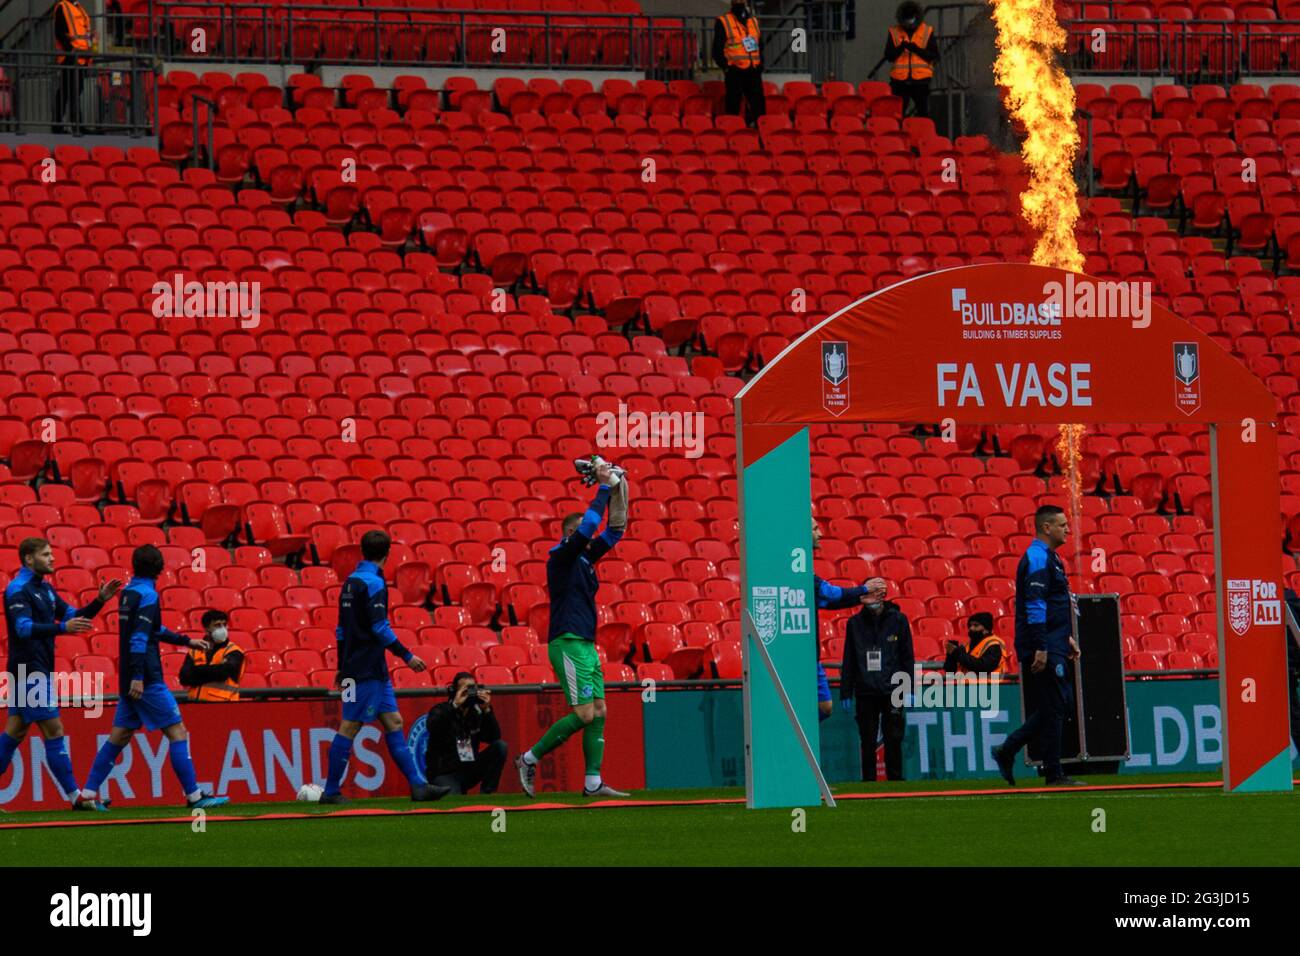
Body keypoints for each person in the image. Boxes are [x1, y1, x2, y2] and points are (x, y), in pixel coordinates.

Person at [76, 545, 228, 809]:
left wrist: (186, 641)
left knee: (119, 736)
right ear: (160, 568)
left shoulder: (128, 593)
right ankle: (194, 797)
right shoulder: (148, 595)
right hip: (145, 677)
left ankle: (87, 795)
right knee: (178, 732)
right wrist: (138, 676)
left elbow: (154, 629)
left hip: (129, 675)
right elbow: (140, 637)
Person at [516, 460, 630, 798]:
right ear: (570, 534)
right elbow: (593, 523)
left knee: (599, 711)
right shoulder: (562, 557)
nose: (589, 536)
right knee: (582, 713)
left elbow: (616, 529)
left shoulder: (583, 558)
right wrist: (604, 485)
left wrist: (619, 484)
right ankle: (528, 758)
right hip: (567, 641)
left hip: (585, 643)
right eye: (582, 532)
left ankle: (592, 782)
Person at [321, 531, 448, 804]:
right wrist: (407, 656)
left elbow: (341, 629)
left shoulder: (349, 583)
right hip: (366, 670)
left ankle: (418, 786)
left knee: (394, 721)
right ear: (387, 555)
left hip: (363, 669)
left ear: (362, 552)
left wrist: (342, 667)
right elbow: (379, 627)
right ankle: (330, 792)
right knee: (350, 725)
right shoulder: (374, 583)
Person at [0, 538, 120, 810]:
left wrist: (99, 601)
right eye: (46, 554)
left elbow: (74, 614)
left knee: (15, 731)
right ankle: (75, 796)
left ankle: (75, 796)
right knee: (54, 729)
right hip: (29, 670)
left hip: (31, 669)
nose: (53, 558)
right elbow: (23, 628)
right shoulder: (18, 589)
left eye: (52, 553)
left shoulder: (45, 589)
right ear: (29, 559)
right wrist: (63, 628)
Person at [993, 505, 1083, 787]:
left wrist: (1065, 636)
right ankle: (1053, 773)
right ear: (1046, 527)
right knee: (1056, 705)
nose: (1067, 529)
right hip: (1042, 645)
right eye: (1062, 525)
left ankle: (1008, 750)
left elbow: (1053, 603)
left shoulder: (1050, 557)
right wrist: (1042, 646)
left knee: (1058, 704)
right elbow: (1035, 604)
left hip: (1053, 641)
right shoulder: (1037, 558)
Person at [839, 580, 914, 781]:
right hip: (865, 689)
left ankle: (896, 779)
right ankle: (869, 781)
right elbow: (849, 658)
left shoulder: (898, 620)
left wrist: (909, 687)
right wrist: (846, 690)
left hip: (893, 689)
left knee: (894, 737)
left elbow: (907, 656)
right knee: (868, 738)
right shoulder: (854, 623)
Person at [812, 519, 882, 720]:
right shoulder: (798, 570)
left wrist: (860, 599)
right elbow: (829, 593)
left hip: (812, 658)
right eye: (815, 529)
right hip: (801, 659)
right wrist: (864, 589)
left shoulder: (806, 566)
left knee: (825, 707)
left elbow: (824, 602)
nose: (820, 534)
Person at [424, 672, 507, 795]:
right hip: (444, 772)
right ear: (454, 692)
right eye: (465, 690)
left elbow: (493, 737)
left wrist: (487, 710)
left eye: (473, 688)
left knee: (500, 746)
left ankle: (487, 793)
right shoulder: (441, 710)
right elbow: (433, 726)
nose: (470, 694)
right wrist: (455, 706)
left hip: (468, 768)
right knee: (455, 801)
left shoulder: (475, 713)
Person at [713, 0, 765, 124]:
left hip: (753, 70)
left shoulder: (753, 21)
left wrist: (760, 64)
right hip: (734, 71)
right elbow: (717, 50)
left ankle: (761, 136)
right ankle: (733, 136)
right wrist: (726, 67)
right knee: (733, 106)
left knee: (759, 106)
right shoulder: (723, 21)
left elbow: (760, 45)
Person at [884, 1, 937, 118]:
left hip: (921, 80)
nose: (909, 22)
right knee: (897, 114)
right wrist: (901, 47)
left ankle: (921, 134)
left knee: (923, 114)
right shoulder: (894, 32)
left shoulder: (927, 31)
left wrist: (916, 49)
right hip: (899, 81)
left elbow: (933, 55)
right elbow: (889, 56)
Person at [179, 609, 245, 702]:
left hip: (223, 707)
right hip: (195, 706)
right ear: (206, 630)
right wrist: (215, 669)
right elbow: (184, 678)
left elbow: (223, 673)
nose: (223, 629)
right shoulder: (194, 651)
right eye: (217, 625)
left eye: (224, 624)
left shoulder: (234, 651)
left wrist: (196, 671)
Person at [53, 0, 96, 133]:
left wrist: (90, 47)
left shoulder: (79, 8)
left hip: (81, 57)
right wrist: (70, 50)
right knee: (69, 91)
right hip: (70, 57)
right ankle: (72, 126)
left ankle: (64, 125)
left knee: (72, 91)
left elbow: (84, 33)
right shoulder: (63, 7)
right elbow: (59, 31)